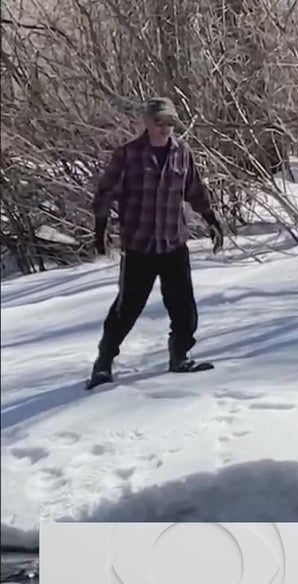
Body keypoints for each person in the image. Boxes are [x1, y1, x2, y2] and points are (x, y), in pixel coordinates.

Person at [86, 97, 225, 389]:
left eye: (170, 122)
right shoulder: (128, 155)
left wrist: (211, 220)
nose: (165, 128)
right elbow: (105, 193)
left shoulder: (182, 153)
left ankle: (180, 356)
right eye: (159, 122)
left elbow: (195, 190)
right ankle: (103, 363)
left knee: (184, 308)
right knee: (127, 309)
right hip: (139, 246)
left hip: (173, 243)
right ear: (147, 123)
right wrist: (100, 231)